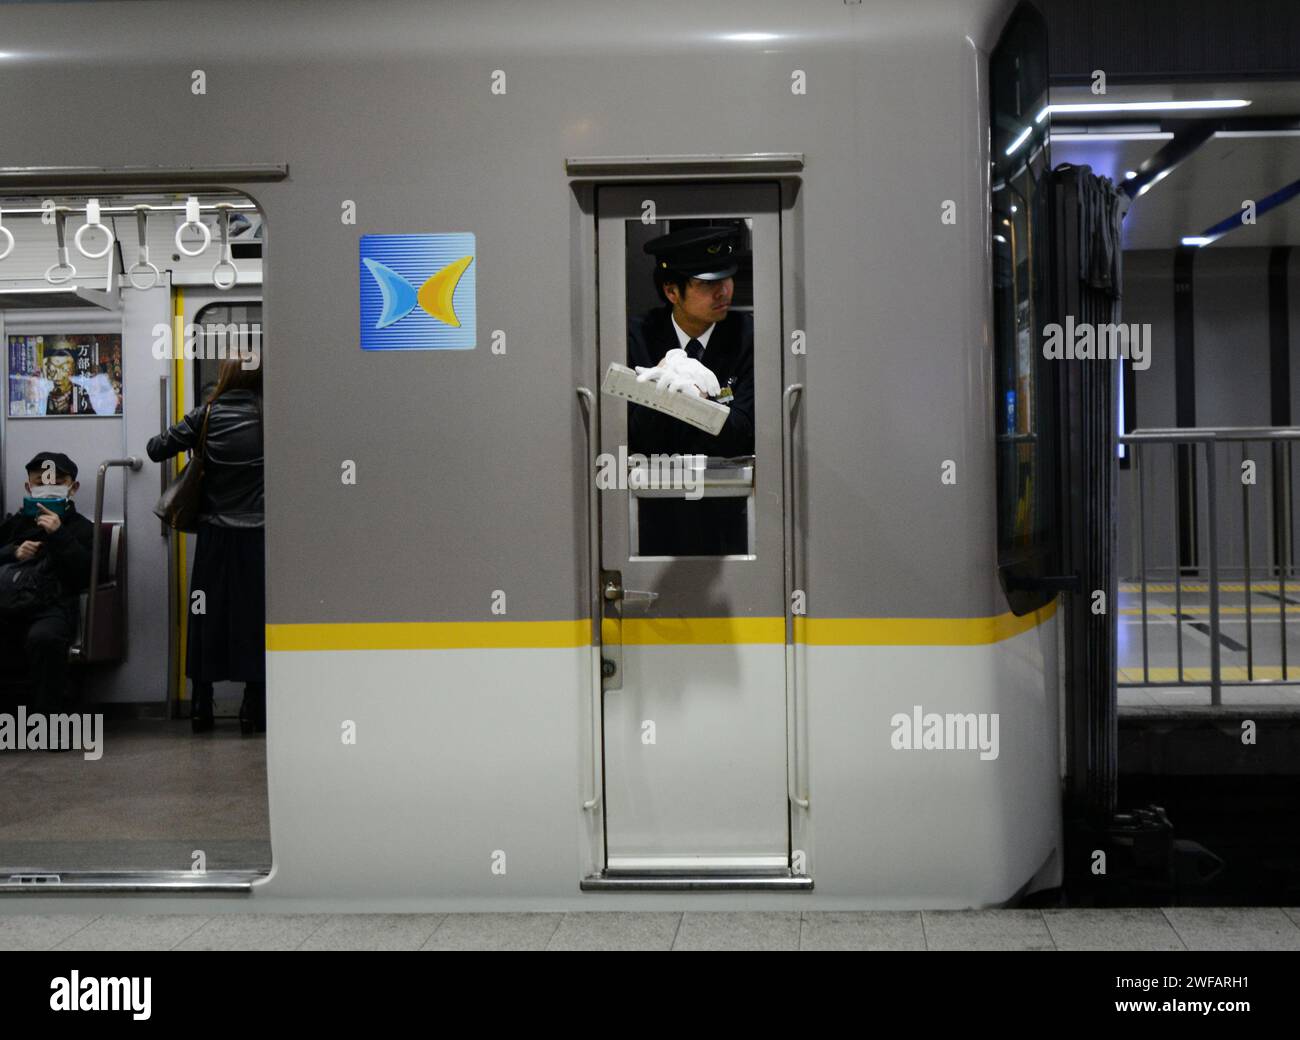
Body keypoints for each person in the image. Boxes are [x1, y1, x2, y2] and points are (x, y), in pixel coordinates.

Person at [147, 358, 265, 734]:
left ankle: (201, 703)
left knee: (205, 616)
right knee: (253, 617)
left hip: (214, 536)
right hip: (258, 536)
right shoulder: (271, 416)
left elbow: (155, 448)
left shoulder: (206, 414)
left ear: (225, 376)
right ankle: (252, 706)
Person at [627, 226, 754, 555]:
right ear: (672, 291)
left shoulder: (747, 337)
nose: (724, 291)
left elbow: (746, 430)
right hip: (655, 513)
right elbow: (631, 437)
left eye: (726, 278)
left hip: (730, 511)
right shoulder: (636, 338)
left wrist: (700, 403)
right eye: (708, 283)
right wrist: (661, 393)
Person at [0, 452, 94, 711]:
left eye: (57, 481)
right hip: (9, 601)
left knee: (45, 639)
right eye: (41, 482)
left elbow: (85, 575)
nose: (48, 488)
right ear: (29, 488)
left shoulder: (82, 528)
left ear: (72, 488)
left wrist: (59, 535)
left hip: (52, 606)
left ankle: (49, 722)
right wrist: (13, 552)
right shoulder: (15, 524)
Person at [43, 347, 93, 415]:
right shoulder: (44, 394)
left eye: (65, 370)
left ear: (73, 372)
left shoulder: (83, 394)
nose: (57, 377)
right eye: (52, 370)